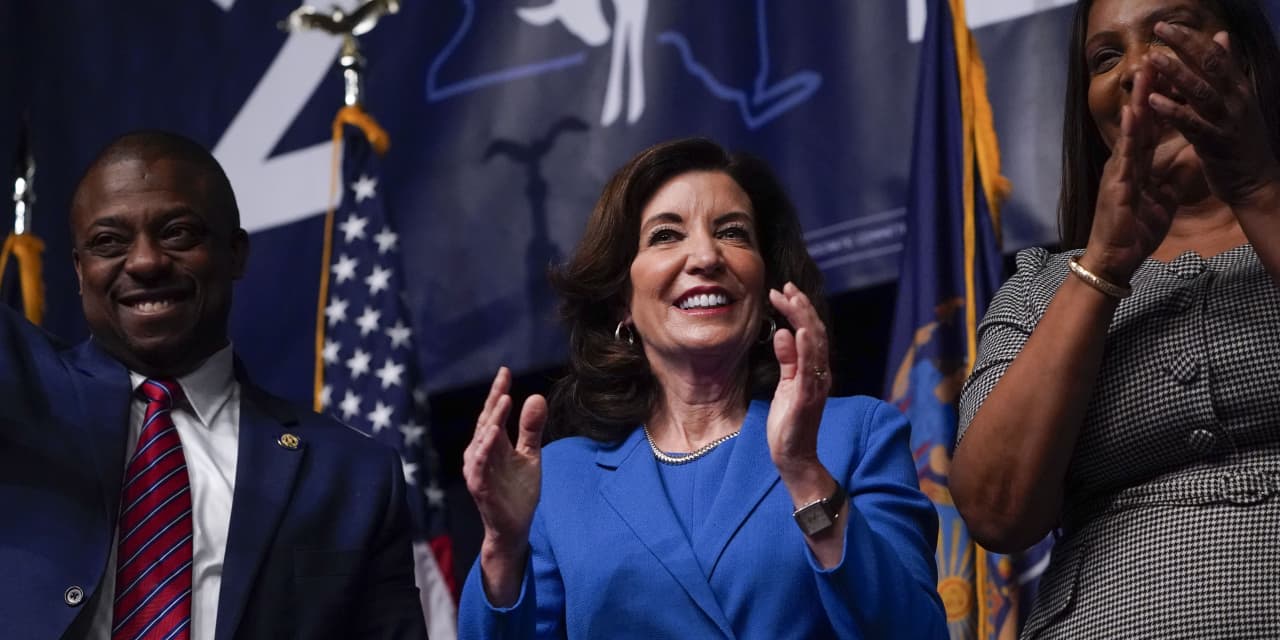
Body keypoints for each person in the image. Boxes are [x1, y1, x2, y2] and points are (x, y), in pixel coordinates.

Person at [457, 137, 947, 638]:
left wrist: (804, 472)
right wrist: (502, 547)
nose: (706, 256)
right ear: (621, 300)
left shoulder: (855, 434)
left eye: (733, 233)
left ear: (765, 286)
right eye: (666, 236)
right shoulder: (560, 480)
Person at [0, 131, 428, 640]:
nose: (145, 261)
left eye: (177, 233)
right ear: (79, 269)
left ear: (235, 253)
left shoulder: (352, 475)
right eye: (108, 242)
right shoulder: (20, 395)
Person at [951, 0, 1280, 637]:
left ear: (1240, 57)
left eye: (1168, 34)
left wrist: (1256, 190)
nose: (1135, 69)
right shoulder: (1040, 286)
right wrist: (1102, 265)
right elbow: (995, 510)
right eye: (1105, 58)